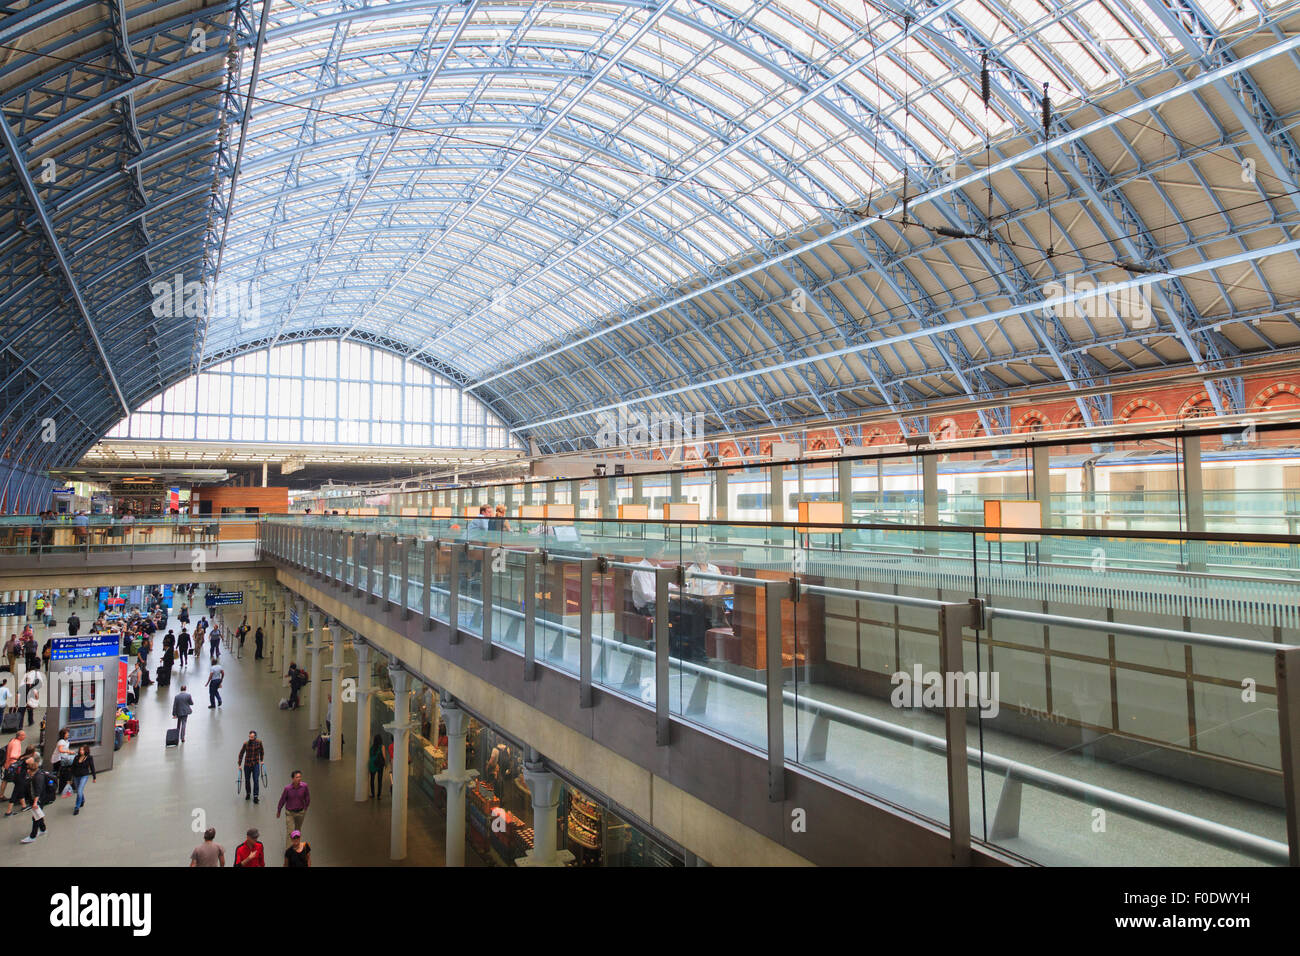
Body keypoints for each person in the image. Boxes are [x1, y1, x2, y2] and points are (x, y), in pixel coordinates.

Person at [18, 756, 53, 844]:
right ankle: (43, 829)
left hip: (38, 800)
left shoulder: (37, 778)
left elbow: (37, 791)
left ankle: (32, 836)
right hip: (39, 799)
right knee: (38, 815)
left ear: (30, 770)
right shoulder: (38, 774)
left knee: (35, 818)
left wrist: (35, 802)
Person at [275, 770, 310, 842]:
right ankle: (289, 851)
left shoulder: (304, 786)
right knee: (290, 832)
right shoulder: (287, 789)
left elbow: (307, 797)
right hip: (290, 813)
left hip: (300, 813)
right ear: (293, 779)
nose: (299, 778)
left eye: (300, 777)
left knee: (297, 831)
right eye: (297, 777)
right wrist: (279, 810)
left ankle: (296, 847)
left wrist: (305, 808)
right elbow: (282, 800)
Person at [237, 731, 264, 804]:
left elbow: (262, 751)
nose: (250, 738)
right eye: (249, 737)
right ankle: (248, 793)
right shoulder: (246, 744)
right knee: (247, 780)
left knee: (256, 780)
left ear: (255, 737)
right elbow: (241, 753)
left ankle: (255, 796)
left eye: (252, 737)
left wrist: (262, 760)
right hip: (247, 765)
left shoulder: (259, 742)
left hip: (255, 764)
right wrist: (239, 764)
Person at [69, 745, 95, 815]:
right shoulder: (76, 757)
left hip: (84, 776)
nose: (81, 751)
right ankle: (82, 800)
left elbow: (92, 767)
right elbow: (73, 768)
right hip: (76, 776)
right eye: (80, 750)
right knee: (78, 790)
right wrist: (70, 778)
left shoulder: (89, 758)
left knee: (79, 790)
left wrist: (94, 777)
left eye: (83, 750)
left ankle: (77, 807)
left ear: (86, 750)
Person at [0, 730, 25, 800]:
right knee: (19, 782)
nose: (25, 736)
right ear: (19, 736)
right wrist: (21, 757)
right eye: (23, 735)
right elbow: (12, 755)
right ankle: (20, 798)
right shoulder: (16, 744)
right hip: (13, 767)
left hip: (8, 765)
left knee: (5, 780)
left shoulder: (13, 741)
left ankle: (1, 795)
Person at [52, 728, 73, 793]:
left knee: (58, 772)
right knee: (56, 773)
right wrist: (68, 752)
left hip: (62, 758)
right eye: (67, 734)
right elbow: (60, 750)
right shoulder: (61, 741)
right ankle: (53, 786)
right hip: (58, 759)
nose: (68, 735)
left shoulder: (66, 741)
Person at [368, 733, 386, 799]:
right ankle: (379, 795)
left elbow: (370, 755)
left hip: (372, 765)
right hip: (379, 765)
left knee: (372, 780)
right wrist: (385, 763)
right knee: (379, 780)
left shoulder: (372, 747)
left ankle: (372, 794)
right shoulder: (382, 746)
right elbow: (384, 756)